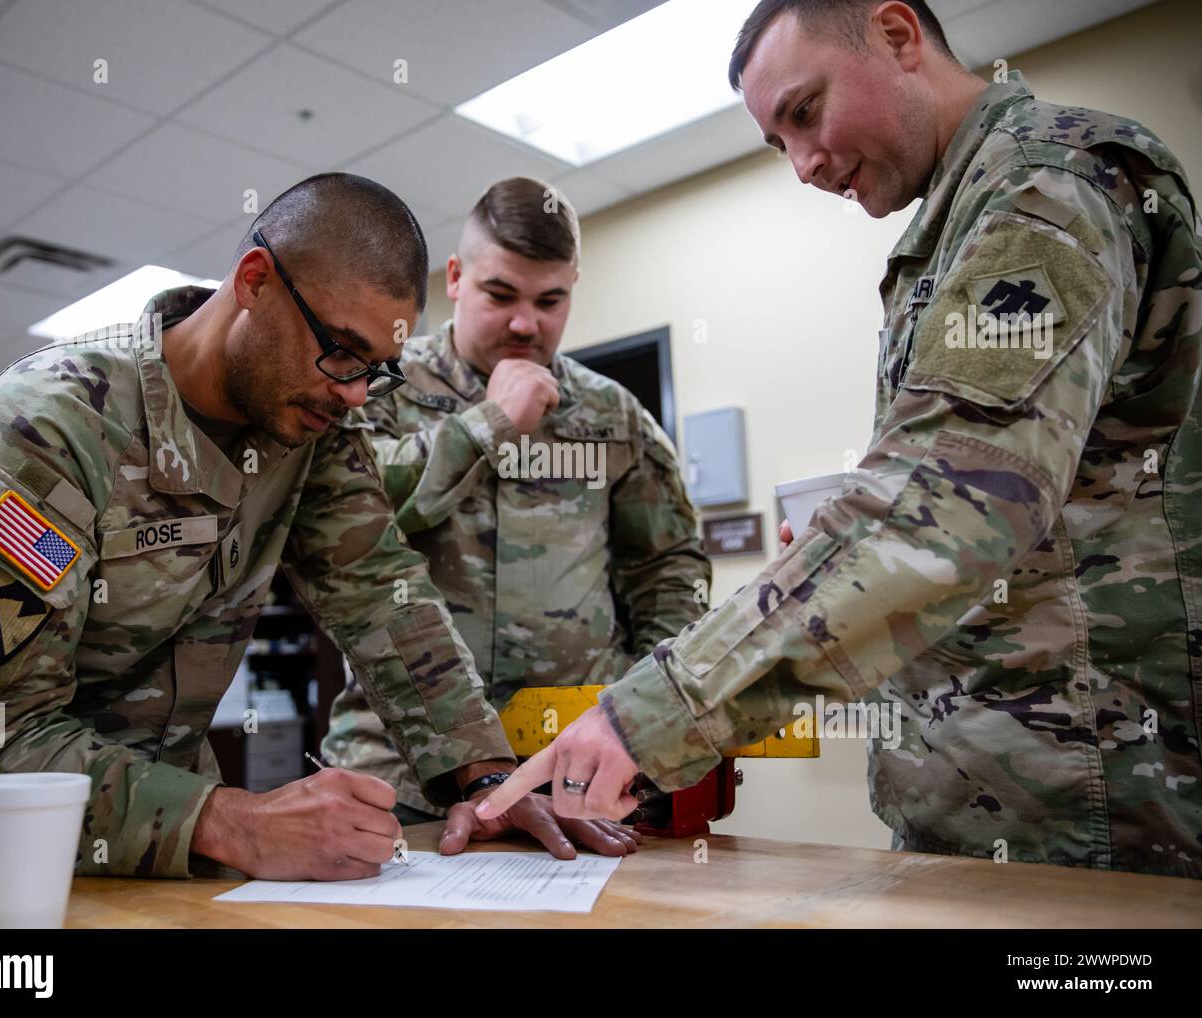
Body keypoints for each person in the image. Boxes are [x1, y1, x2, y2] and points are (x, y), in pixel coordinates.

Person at [479, 0, 1202, 878]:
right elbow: (982, 494)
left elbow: (947, 509)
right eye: (779, 143)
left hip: (1094, 799)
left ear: (897, 35)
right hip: (1000, 787)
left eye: (804, 112)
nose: (805, 165)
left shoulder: (1044, 187)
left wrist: (653, 711)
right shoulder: (956, 224)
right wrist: (843, 544)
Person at [0, 173, 621, 901]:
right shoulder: (49, 433)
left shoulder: (313, 426)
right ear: (255, 282)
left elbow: (381, 594)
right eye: (340, 350)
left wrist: (489, 776)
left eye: (375, 370)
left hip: (165, 851)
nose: (352, 393)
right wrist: (234, 822)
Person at [326, 178, 709, 855]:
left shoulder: (611, 414)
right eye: (501, 294)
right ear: (454, 277)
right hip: (405, 767)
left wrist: (643, 712)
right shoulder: (378, 384)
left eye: (550, 300)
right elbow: (346, 521)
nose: (526, 323)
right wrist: (489, 425)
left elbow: (669, 569)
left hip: (572, 770)